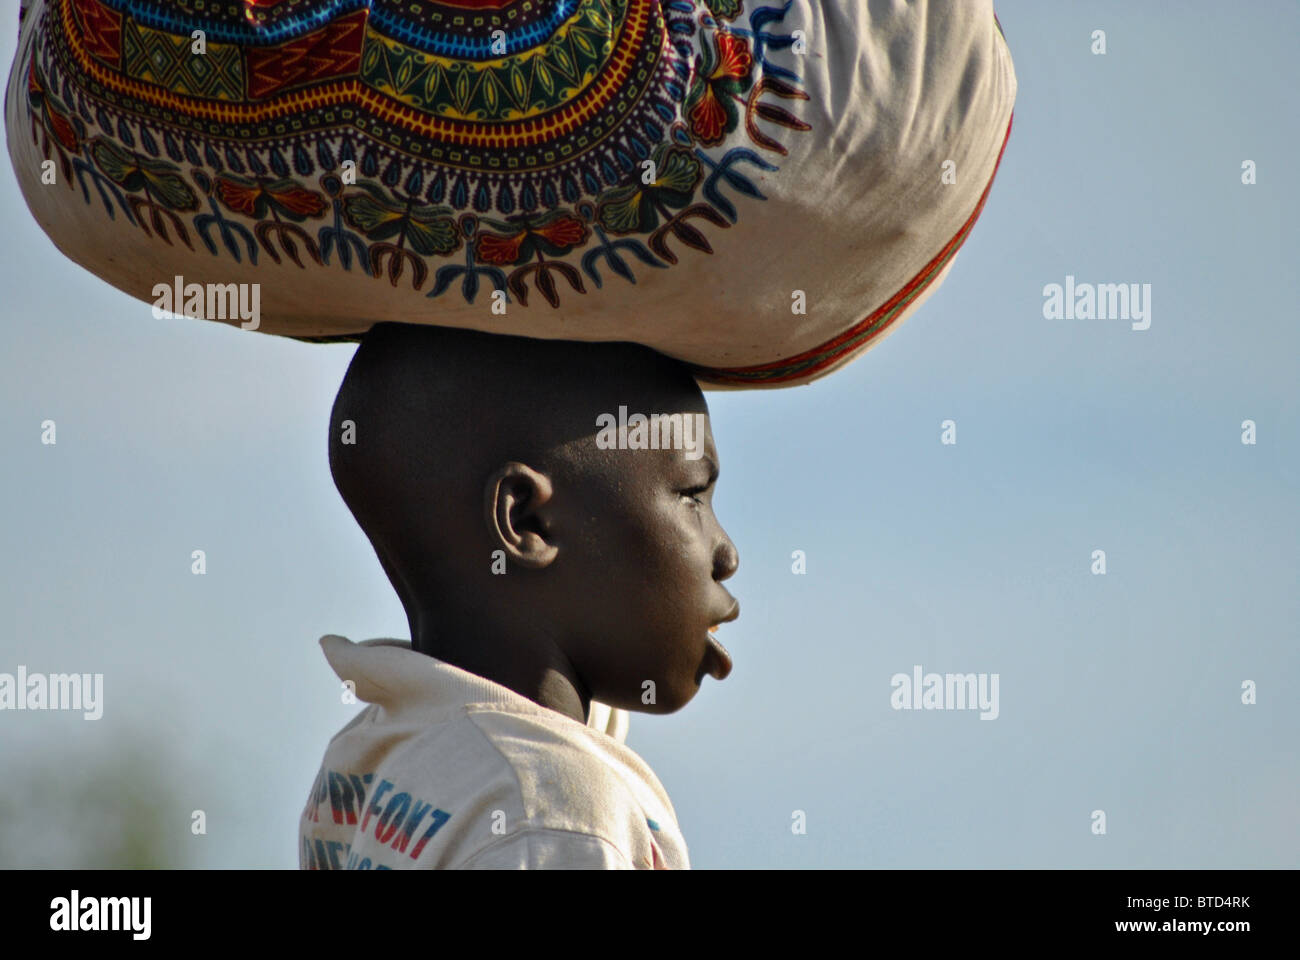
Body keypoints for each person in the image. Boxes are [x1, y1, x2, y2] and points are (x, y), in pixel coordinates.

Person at [300, 322, 740, 869]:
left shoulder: (364, 767)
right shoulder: (554, 814)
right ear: (527, 520)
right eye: (692, 496)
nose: (726, 553)